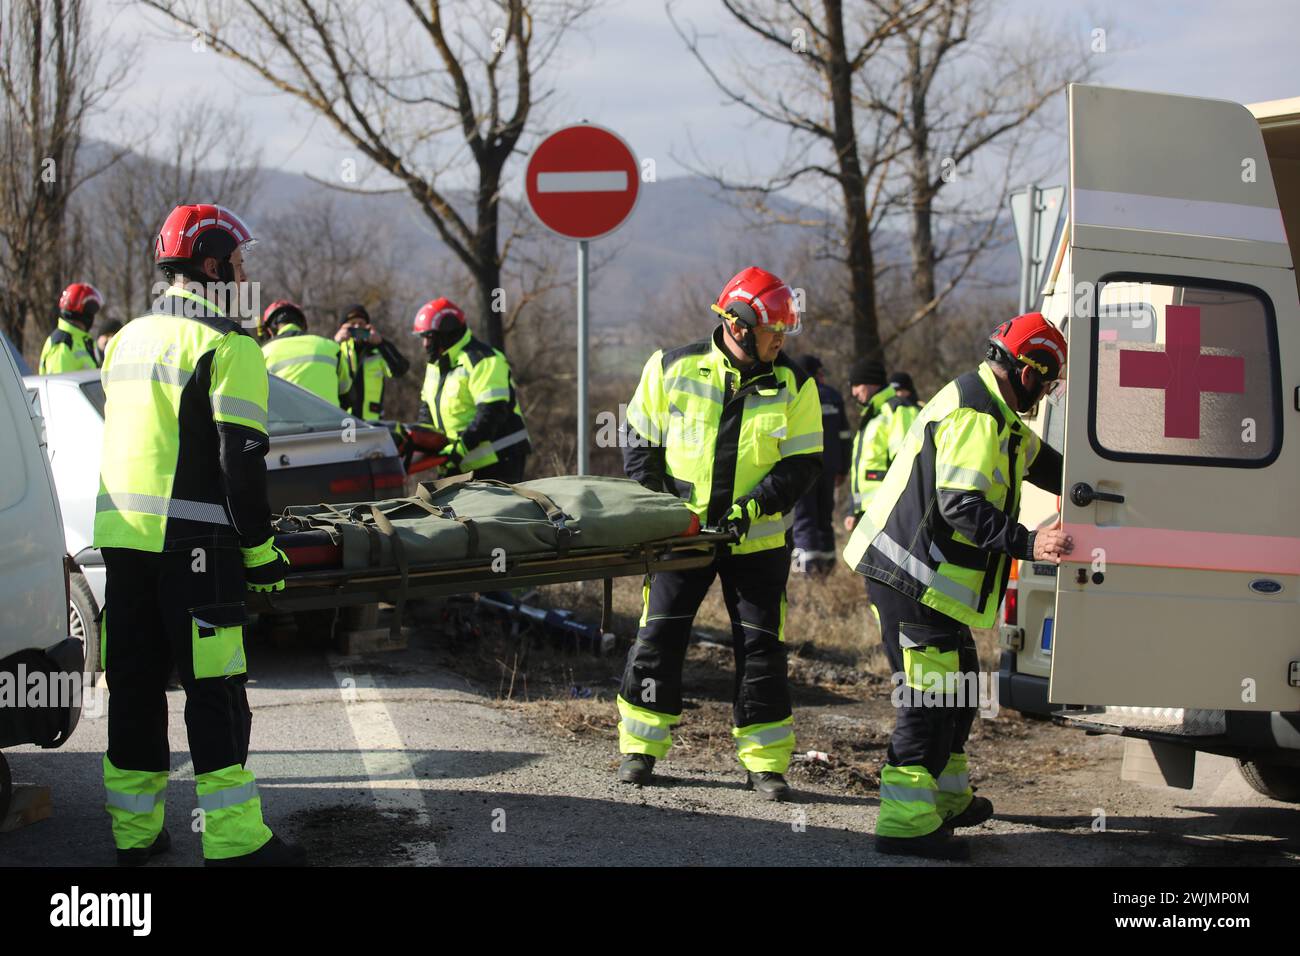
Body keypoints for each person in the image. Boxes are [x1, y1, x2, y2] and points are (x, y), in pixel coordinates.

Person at [94, 202, 304, 866]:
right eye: (240, 264)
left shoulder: (126, 338)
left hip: (124, 545)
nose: (247, 275)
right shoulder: (227, 343)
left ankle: (135, 834)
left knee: (132, 685)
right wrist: (263, 552)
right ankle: (235, 843)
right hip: (197, 546)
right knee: (214, 691)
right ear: (212, 266)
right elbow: (238, 462)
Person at [843, 312, 1071, 860]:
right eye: (1049, 380)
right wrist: (1030, 544)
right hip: (909, 577)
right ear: (1028, 371)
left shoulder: (996, 409)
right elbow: (961, 506)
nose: (1046, 392)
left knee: (961, 686)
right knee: (928, 697)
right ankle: (904, 823)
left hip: (929, 581)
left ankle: (945, 797)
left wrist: (1100, 479)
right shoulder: (976, 415)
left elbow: (1046, 464)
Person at [616, 266, 823, 801]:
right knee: (659, 635)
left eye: (784, 332)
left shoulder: (795, 384)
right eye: (773, 330)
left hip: (758, 544)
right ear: (737, 323)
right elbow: (639, 444)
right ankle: (640, 749)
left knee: (762, 648)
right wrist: (662, 510)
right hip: (681, 538)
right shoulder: (670, 367)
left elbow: (801, 465)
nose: (780, 340)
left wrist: (752, 507)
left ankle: (764, 764)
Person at [413, 297, 530, 482]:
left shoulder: (484, 360)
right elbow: (427, 412)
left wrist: (461, 447)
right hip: (457, 462)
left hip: (499, 462)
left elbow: (491, 413)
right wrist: (420, 442)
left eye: (429, 337)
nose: (425, 344)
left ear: (447, 332)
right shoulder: (435, 366)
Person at [790, 354, 850, 574]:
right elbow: (844, 435)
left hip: (803, 469)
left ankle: (806, 571)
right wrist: (843, 468)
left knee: (804, 519)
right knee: (825, 518)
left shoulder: (795, 394)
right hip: (830, 467)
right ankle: (828, 568)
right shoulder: (833, 396)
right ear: (816, 373)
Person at [844, 360, 920, 534]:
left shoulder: (898, 410)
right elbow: (862, 471)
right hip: (869, 513)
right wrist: (853, 509)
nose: (853, 392)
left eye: (857, 385)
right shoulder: (872, 416)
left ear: (872, 383)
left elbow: (906, 465)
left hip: (890, 514)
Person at [260, 300, 352, 406]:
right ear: (303, 325)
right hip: (330, 420)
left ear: (270, 330)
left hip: (286, 421)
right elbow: (347, 394)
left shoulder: (263, 353)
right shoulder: (332, 347)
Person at [335, 303, 410, 421]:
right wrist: (336, 342)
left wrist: (381, 343)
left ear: (368, 327)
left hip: (371, 421)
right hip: (344, 420)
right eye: (352, 324)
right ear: (342, 328)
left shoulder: (378, 351)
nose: (357, 327)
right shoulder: (337, 349)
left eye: (361, 324)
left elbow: (400, 369)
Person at [39, 283, 103, 373]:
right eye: (91, 313)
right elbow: (60, 384)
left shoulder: (82, 341)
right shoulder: (63, 345)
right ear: (85, 315)